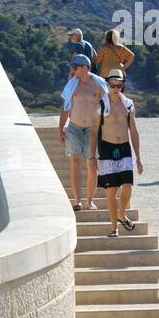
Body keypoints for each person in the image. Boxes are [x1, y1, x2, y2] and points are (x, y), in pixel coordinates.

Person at [94, 70, 144, 235]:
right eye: (112, 85)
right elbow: (94, 132)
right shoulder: (101, 104)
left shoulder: (128, 105)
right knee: (111, 190)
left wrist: (138, 157)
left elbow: (134, 131)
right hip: (107, 148)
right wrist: (91, 156)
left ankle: (122, 213)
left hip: (124, 148)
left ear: (122, 85)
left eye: (119, 85)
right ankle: (114, 227)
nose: (116, 88)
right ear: (107, 84)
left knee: (128, 186)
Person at [58, 55, 110, 210]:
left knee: (92, 165)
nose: (72, 70)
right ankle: (77, 201)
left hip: (93, 130)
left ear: (85, 68)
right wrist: (61, 128)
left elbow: (108, 108)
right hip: (74, 127)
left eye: (75, 67)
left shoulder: (100, 85)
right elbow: (66, 107)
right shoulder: (72, 85)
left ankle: (89, 200)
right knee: (75, 162)